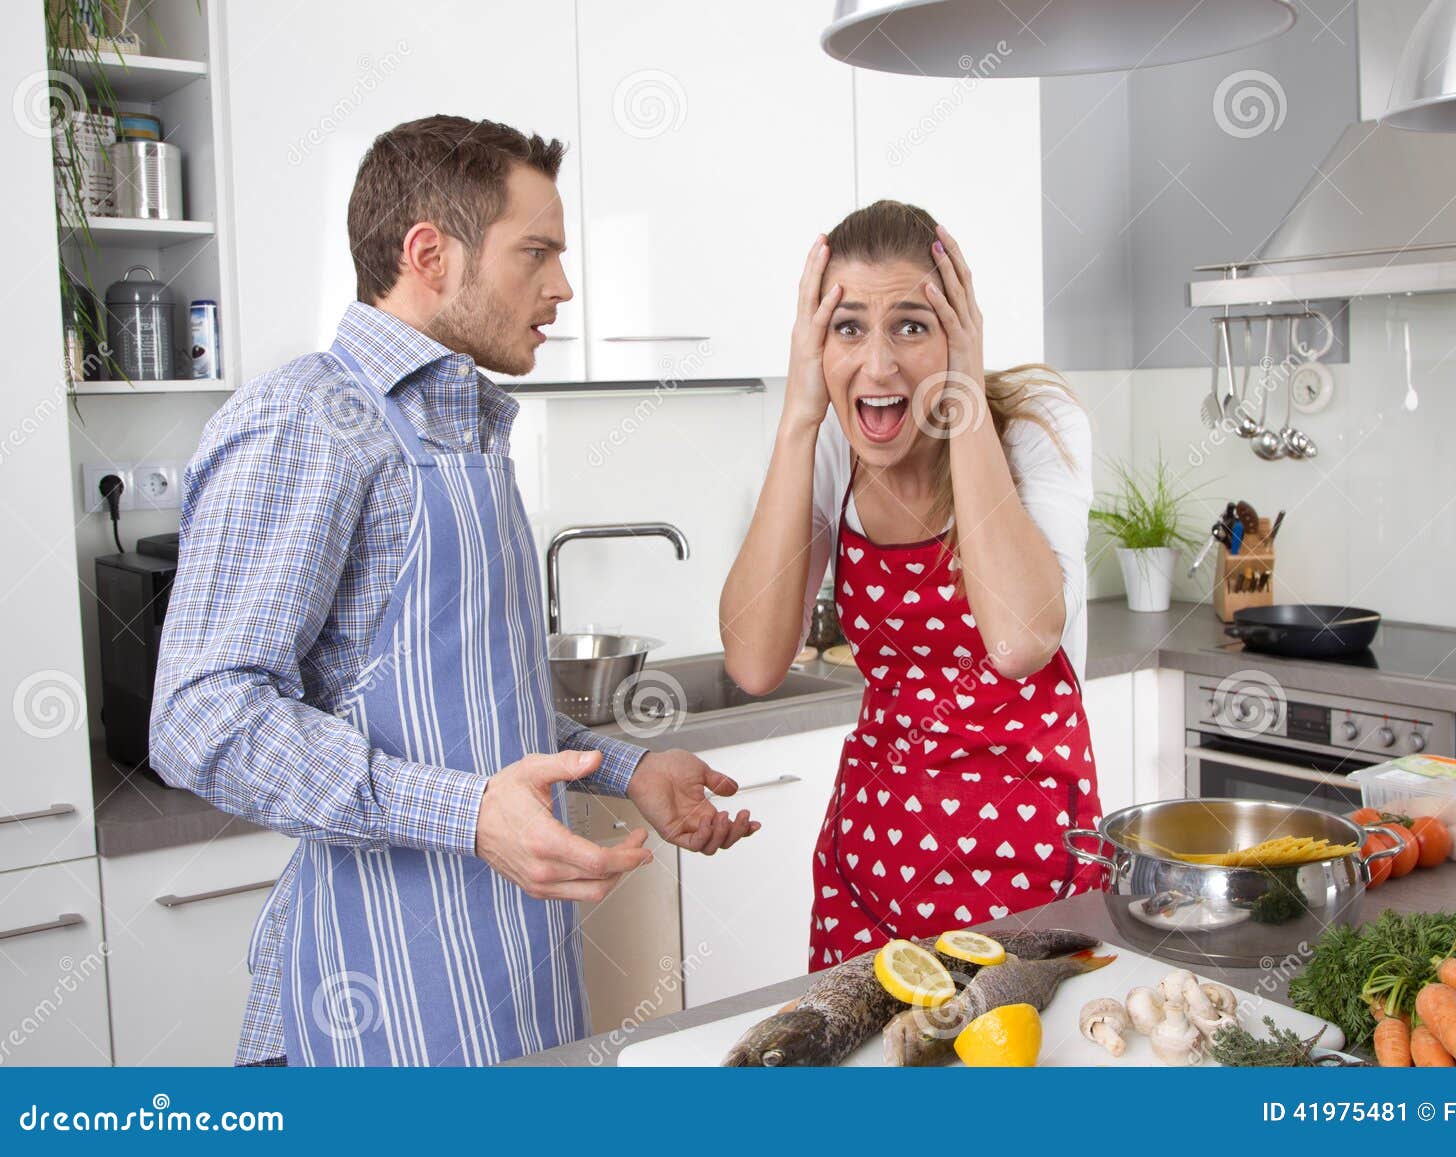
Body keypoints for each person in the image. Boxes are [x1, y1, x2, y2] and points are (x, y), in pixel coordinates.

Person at [151, 115, 758, 1067]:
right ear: (430, 255)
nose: (563, 286)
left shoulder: (465, 427)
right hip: (376, 991)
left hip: (511, 965)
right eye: (536, 253)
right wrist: (467, 813)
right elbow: (199, 715)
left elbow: (474, 708)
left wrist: (626, 770)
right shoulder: (306, 418)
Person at [719, 200, 1106, 968]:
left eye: (910, 325)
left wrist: (966, 405)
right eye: (847, 327)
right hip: (869, 867)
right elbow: (754, 662)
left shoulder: (1033, 424)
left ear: (958, 333)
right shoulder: (830, 449)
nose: (877, 364)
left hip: (1027, 868)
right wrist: (798, 419)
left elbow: (1021, 641)